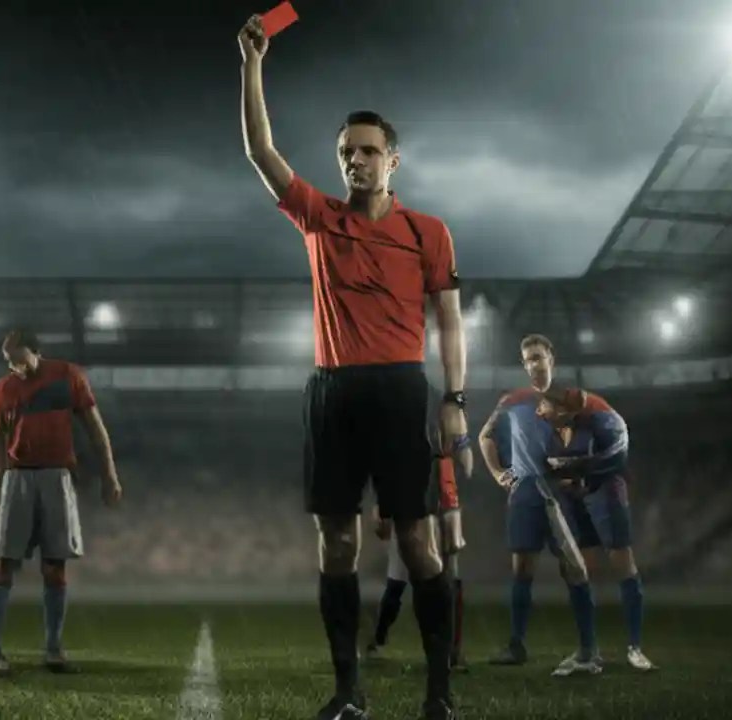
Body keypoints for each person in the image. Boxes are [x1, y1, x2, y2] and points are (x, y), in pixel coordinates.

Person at [238, 14, 469, 720]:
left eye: (368, 151)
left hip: (402, 389)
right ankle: (348, 692)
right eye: (346, 152)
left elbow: (449, 320)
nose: (355, 161)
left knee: (416, 542)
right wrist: (252, 63)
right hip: (332, 391)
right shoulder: (317, 217)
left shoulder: (427, 232)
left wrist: (455, 394)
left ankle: (439, 693)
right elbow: (260, 151)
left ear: (393, 160)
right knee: (336, 541)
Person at [478, 334, 655, 677]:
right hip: (526, 491)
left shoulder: (574, 404)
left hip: (560, 492)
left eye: (538, 357)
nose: (533, 363)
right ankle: (517, 644)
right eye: (527, 358)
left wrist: (578, 475)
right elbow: (485, 435)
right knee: (522, 568)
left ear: (551, 359)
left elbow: (586, 446)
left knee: (576, 569)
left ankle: (593, 650)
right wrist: (499, 473)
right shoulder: (513, 400)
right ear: (523, 364)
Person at [0, 329, 122, 675]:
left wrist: (110, 476)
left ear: (36, 351)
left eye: (19, 359)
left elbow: (95, 428)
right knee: (4, 564)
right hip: (17, 476)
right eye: (8, 362)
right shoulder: (4, 389)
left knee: (54, 566)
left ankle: (54, 649)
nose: (15, 367)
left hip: (57, 477)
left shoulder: (68, 376)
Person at [366, 427, 471, 673]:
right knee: (398, 584)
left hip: (439, 516)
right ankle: (380, 636)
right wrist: (383, 510)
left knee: (448, 583)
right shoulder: (403, 450)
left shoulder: (443, 458)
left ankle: (450, 652)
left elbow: (455, 483)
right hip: (411, 519)